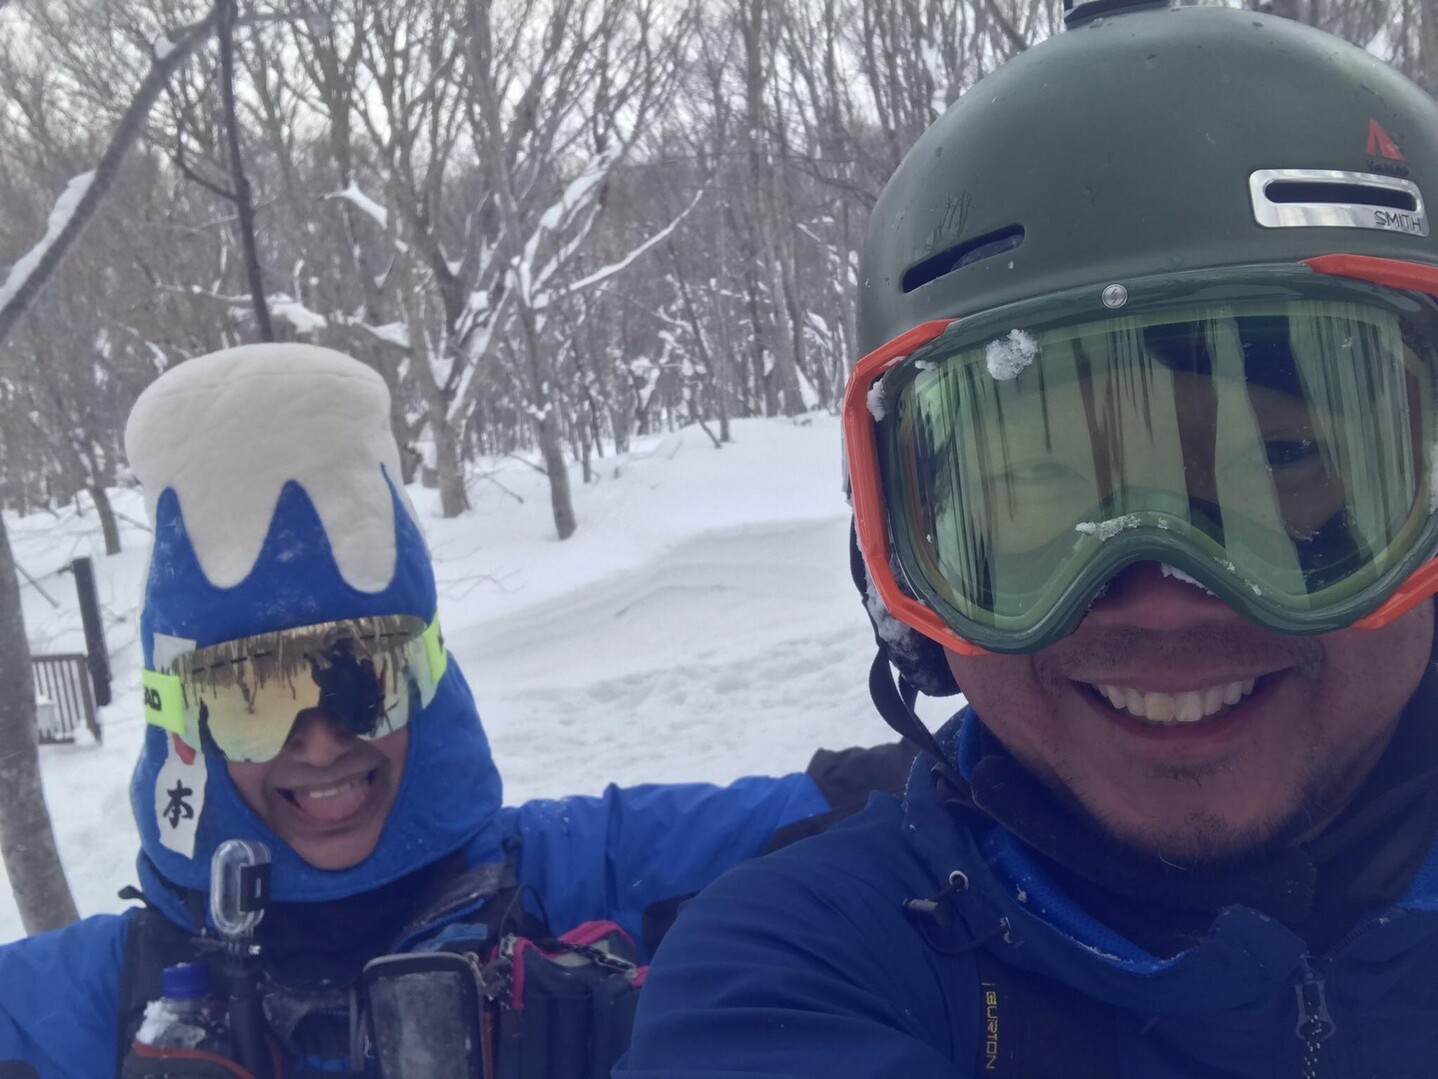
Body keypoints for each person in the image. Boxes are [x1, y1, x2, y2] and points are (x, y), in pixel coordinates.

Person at [618, 3, 1438, 1076]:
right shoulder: (809, 970)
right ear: (901, 573)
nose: (1161, 596)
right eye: (1040, 494)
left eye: (1276, 469)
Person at [0, 343, 913, 1078]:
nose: (318, 738)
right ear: (179, 727)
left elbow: (853, 811)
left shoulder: (571, 880)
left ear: (427, 676)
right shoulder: (99, 1000)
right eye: (252, 697)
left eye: (362, 677)